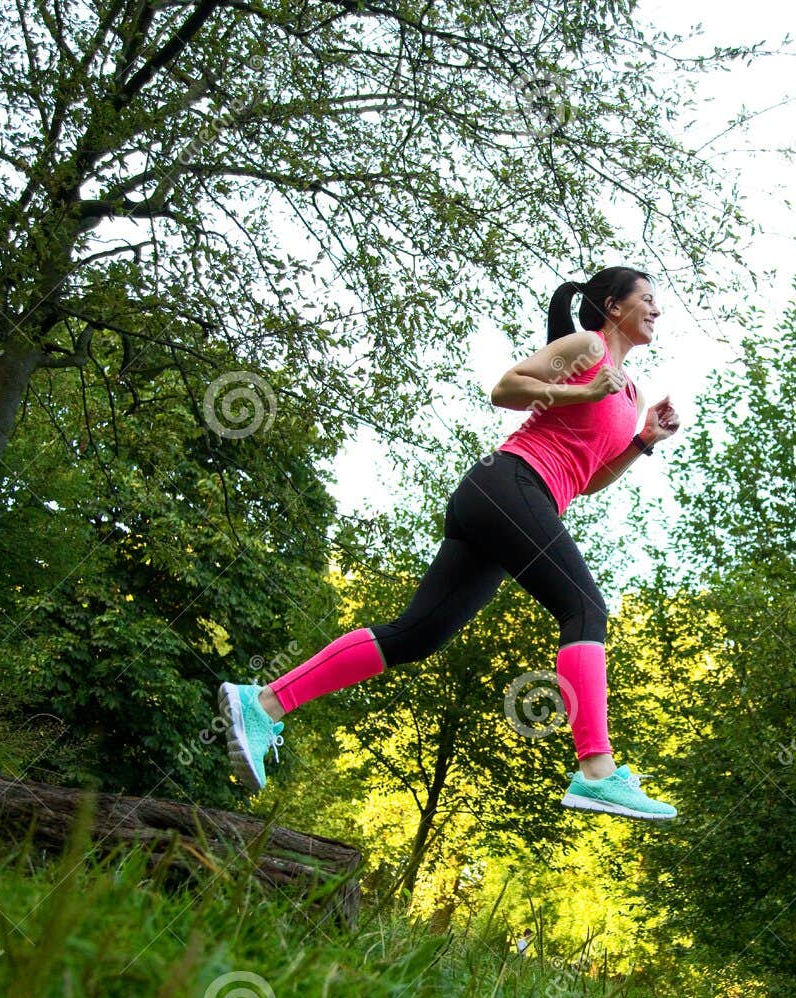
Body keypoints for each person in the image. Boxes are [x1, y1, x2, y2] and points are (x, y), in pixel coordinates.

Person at [216, 266, 680, 820]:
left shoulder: (631, 391)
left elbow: (590, 477)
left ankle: (262, 702)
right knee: (584, 607)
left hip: (516, 504)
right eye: (647, 300)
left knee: (417, 634)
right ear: (612, 306)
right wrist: (570, 388)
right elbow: (505, 389)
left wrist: (643, 443)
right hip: (508, 482)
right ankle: (596, 771)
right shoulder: (586, 349)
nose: (656, 311)